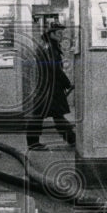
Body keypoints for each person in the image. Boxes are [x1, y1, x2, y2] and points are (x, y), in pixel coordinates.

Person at [27, 20, 76, 150]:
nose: (61, 35)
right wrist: (67, 82)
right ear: (51, 34)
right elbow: (54, 68)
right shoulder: (50, 48)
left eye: (62, 33)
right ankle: (33, 143)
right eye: (59, 33)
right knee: (42, 115)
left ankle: (71, 139)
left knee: (55, 114)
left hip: (47, 86)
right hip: (50, 88)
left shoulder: (47, 46)